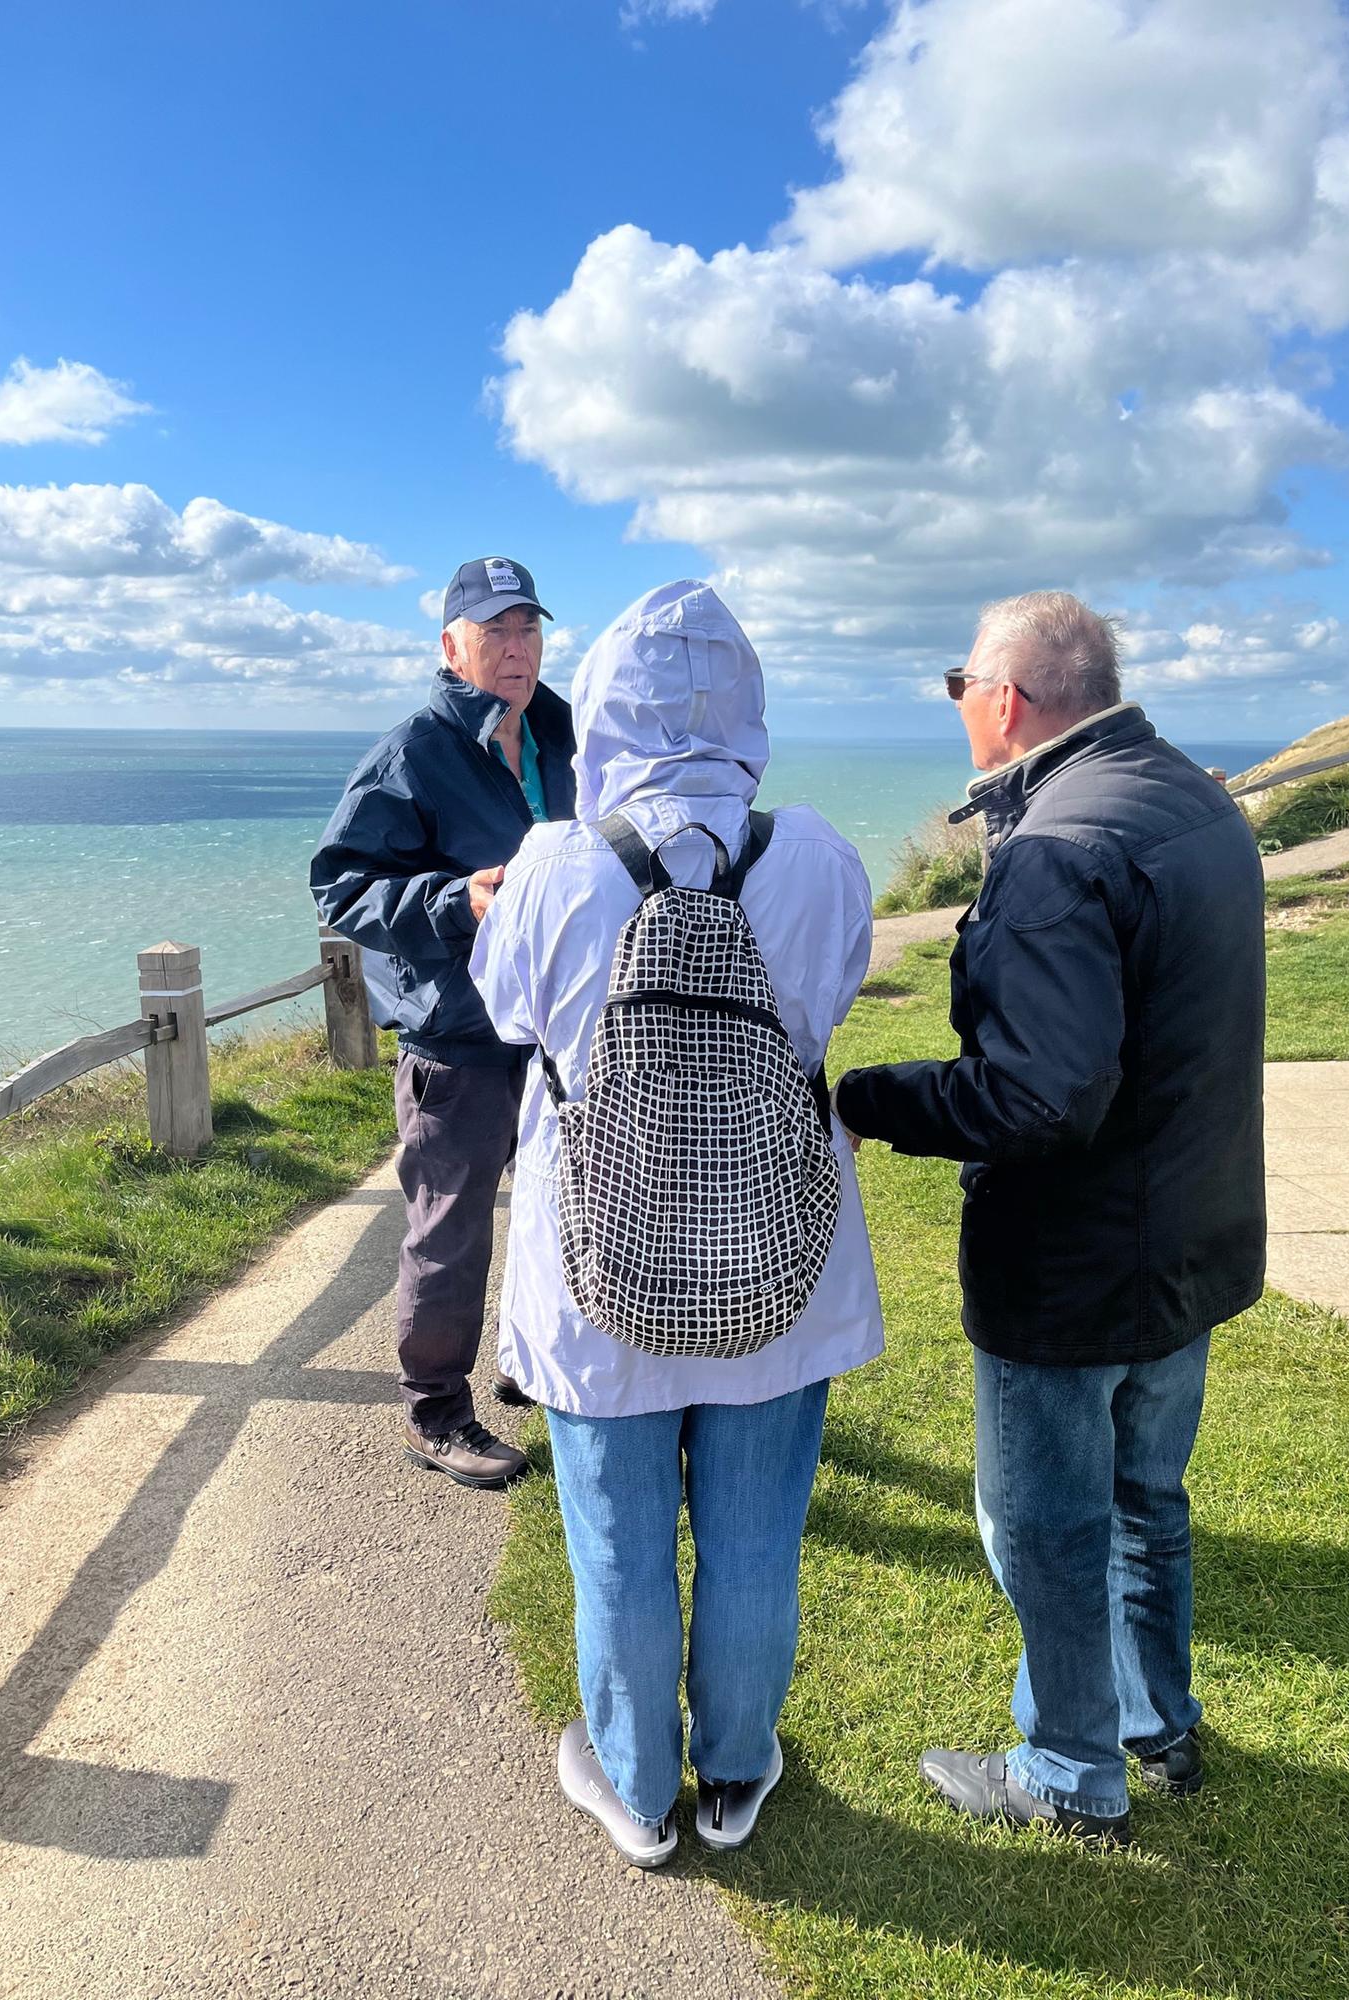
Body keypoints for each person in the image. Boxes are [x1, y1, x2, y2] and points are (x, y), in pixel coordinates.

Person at [835, 591, 1266, 1847]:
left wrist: (871, 1097)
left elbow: (1037, 1094)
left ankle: (1071, 1767)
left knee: (1044, 1525)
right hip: (1189, 1235)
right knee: (1144, 1500)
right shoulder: (1193, 799)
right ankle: (1154, 1719)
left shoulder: (1053, 849)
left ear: (1006, 699)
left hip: (1076, 1263)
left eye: (957, 683)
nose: (957, 705)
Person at [470, 580, 884, 1867]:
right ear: (747, 707)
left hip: (603, 1252)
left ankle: (639, 1784)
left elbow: (508, 1016)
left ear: (605, 707)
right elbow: (830, 999)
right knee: (755, 1541)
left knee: (619, 1546)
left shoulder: (553, 863)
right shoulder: (816, 855)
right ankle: (737, 1769)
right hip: (775, 1248)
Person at [311, 557, 576, 1489]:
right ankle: (435, 1413)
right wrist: (456, 900)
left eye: (529, 628)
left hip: (553, 1028)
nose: (517, 647)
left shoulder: (562, 732)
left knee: (556, 1203)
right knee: (450, 1233)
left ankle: (528, 1360)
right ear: (451, 645)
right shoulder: (414, 751)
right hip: (457, 1037)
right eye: (495, 630)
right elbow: (341, 888)